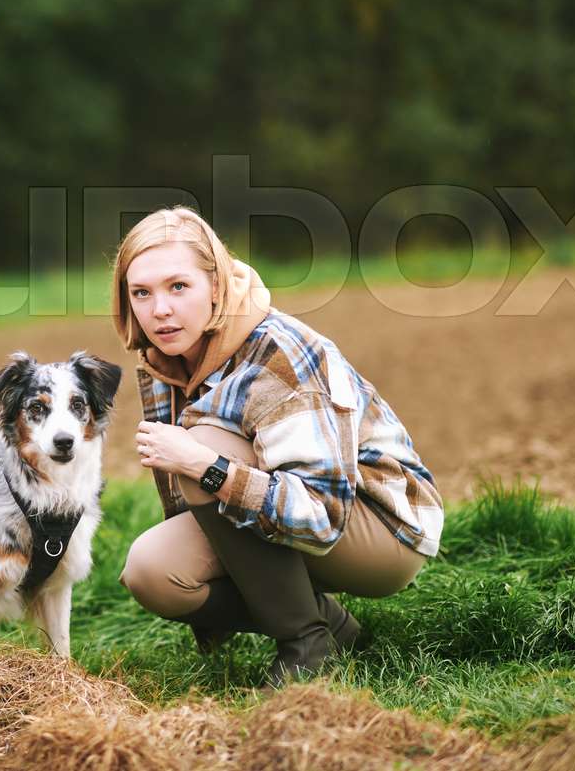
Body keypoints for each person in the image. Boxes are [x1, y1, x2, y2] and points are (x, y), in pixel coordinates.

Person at [113, 206, 443, 685]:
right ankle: (332, 626)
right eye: (141, 292)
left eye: (178, 286)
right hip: (293, 515)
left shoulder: (278, 354)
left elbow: (322, 515)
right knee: (151, 572)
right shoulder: (167, 357)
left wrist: (208, 467)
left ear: (216, 285)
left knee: (201, 444)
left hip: (379, 527)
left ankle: (305, 643)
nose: (159, 309)